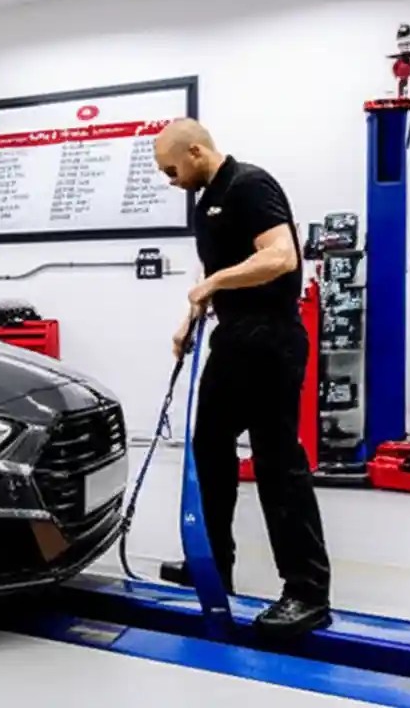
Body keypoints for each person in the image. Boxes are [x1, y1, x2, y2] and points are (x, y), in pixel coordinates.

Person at [153, 118, 333, 636]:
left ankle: (306, 591)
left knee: (277, 463)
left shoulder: (251, 184)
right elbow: (213, 274)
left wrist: (214, 281)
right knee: (209, 448)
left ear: (195, 151)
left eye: (171, 169)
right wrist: (192, 316)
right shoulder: (205, 201)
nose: (170, 179)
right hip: (232, 338)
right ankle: (214, 565)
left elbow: (280, 256)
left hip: (271, 340)